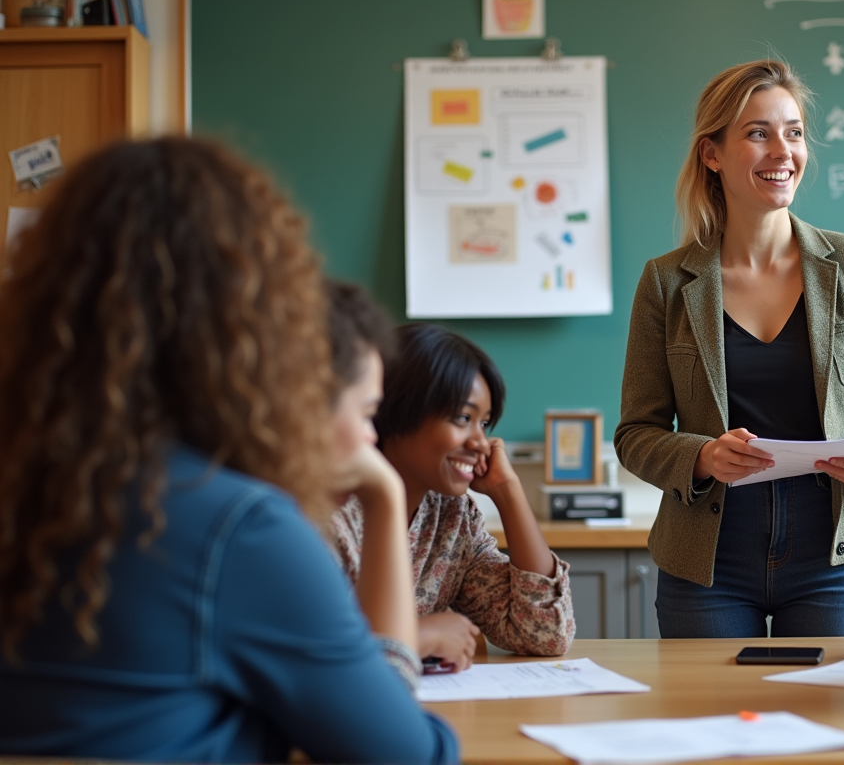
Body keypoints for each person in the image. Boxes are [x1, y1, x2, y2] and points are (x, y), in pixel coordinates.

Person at [0, 138, 457, 763]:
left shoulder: (31, 487)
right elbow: (403, 756)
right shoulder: (234, 528)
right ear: (257, 329)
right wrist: (381, 497)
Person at [614, 59, 844, 638]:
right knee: (713, 726)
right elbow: (636, 434)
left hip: (836, 549)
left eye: (794, 132)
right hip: (709, 559)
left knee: (838, 723)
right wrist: (702, 457)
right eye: (758, 133)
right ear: (712, 154)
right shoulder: (666, 282)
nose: (784, 151)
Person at [334, 324, 575, 669]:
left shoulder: (452, 516)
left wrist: (507, 492)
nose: (480, 442)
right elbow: (308, 652)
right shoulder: (329, 510)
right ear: (400, 408)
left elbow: (544, 635)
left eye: (485, 423)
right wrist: (418, 636)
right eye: (463, 417)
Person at [324, 279, 421, 688]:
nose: (371, 438)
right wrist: (386, 494)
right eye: (367, 415)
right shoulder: (264, 531)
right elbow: (393, 728)